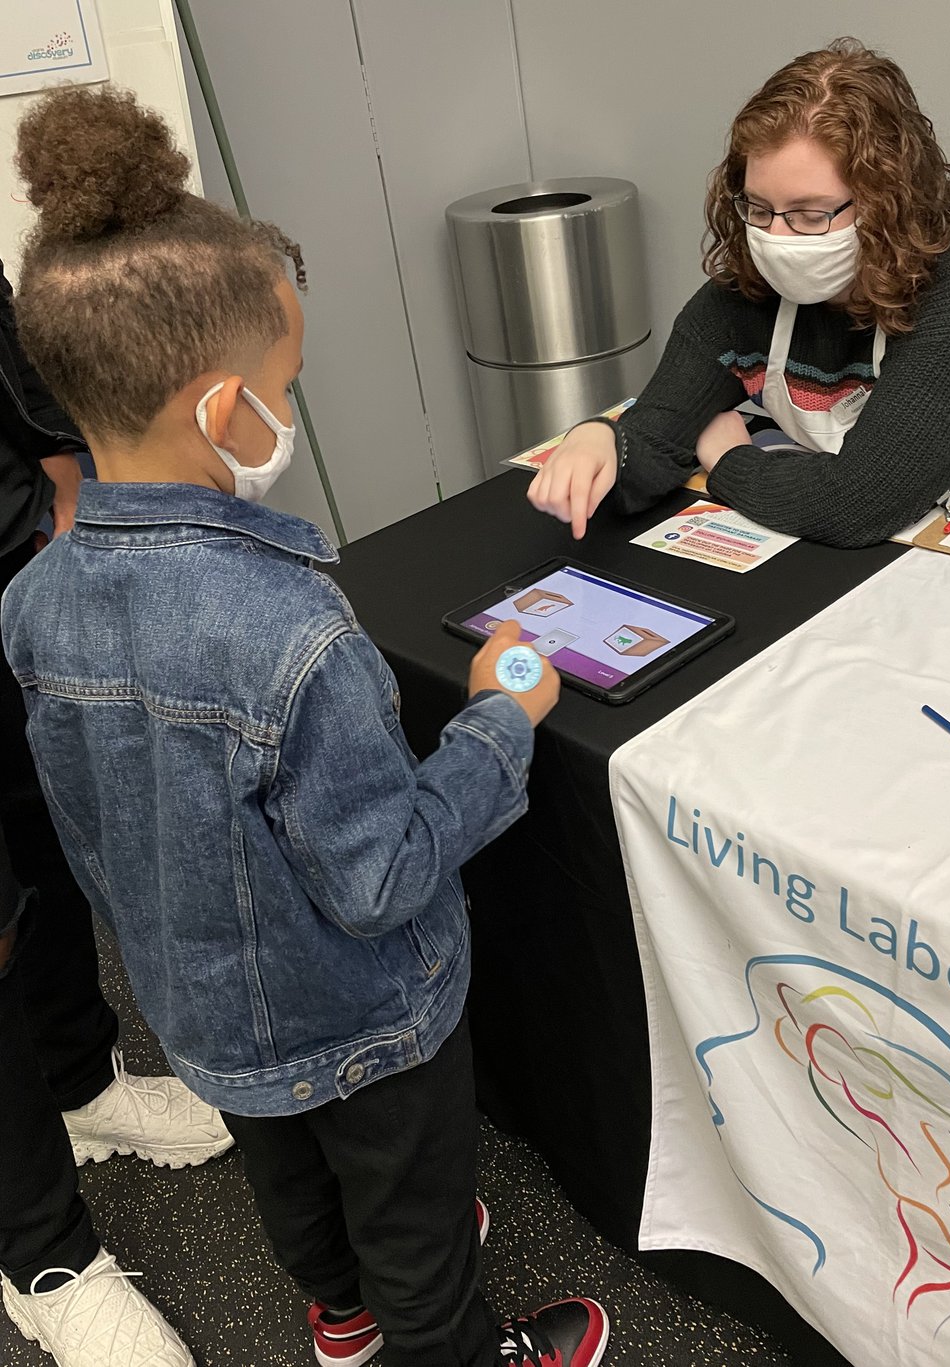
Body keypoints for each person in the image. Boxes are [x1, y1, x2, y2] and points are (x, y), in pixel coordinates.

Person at [2, 85, 609, 1367]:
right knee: (418, 1221)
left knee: (294, 1186)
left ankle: (337, 1316)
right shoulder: (298, 636)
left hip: (203, 1016)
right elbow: (380, 872)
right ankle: (441, 1336)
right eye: (288, 384)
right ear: (227, 411)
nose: (294, 405)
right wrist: (499, 723)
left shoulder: (29, 601)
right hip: (369, 1024)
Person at [528, 38, 950, 548]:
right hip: (884, 519)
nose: (775, 239)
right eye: (759, 208)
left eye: (809, 215)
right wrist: (602, 442)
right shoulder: (746, 289)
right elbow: (662, 431)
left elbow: (854, 505)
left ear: (888, 200)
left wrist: (730, 461)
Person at [0, 258, 233, 1367]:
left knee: (37, 832)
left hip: (12, 555)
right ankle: (42, 1256)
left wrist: (67, 474)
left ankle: (81, 1079)